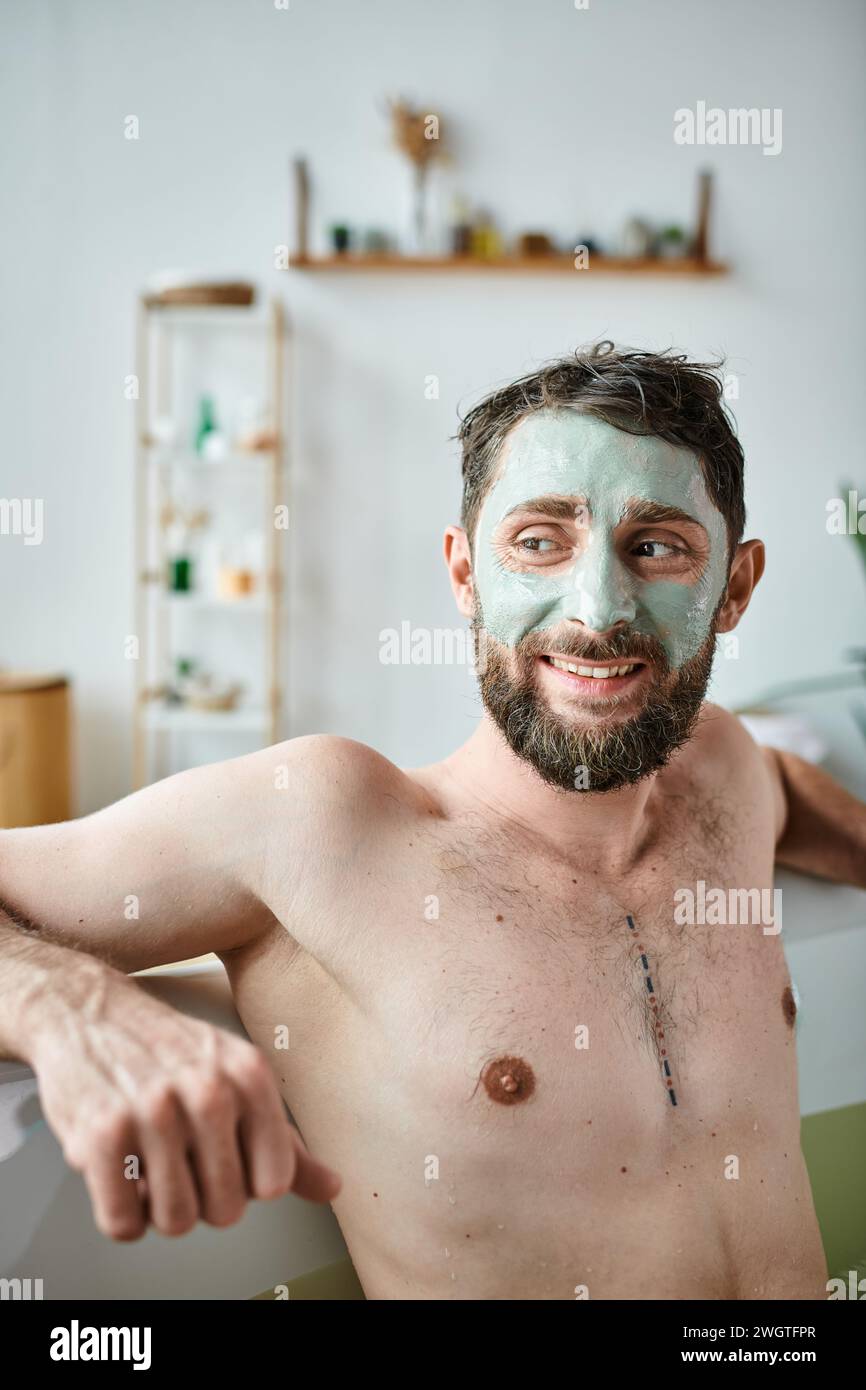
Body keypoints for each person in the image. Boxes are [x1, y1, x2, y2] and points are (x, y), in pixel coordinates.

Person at [2, 345, 864, 1300]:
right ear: (463, 574)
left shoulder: (724, 771)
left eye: (657, 546)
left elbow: (790, 784)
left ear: (734, 588)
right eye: (540, 541)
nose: (597, 611)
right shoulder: (328, 824)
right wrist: (71, 1013)